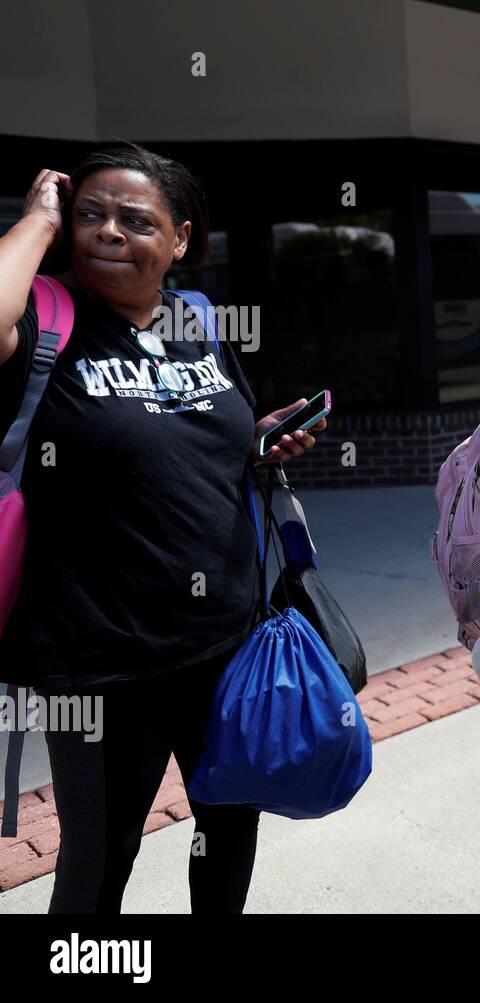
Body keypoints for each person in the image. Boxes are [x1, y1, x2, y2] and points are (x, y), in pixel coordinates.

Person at [0, 145, 325, 913]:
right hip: (104, 658)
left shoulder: (199, 321)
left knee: (228, 826)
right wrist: (38, 220)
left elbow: (203, 444)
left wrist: (259, 439)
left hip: (226, 641)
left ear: (179, 239)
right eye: (90, 215)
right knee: (102, 857)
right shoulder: (47, 316)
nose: (108, 232)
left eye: (135, 220)